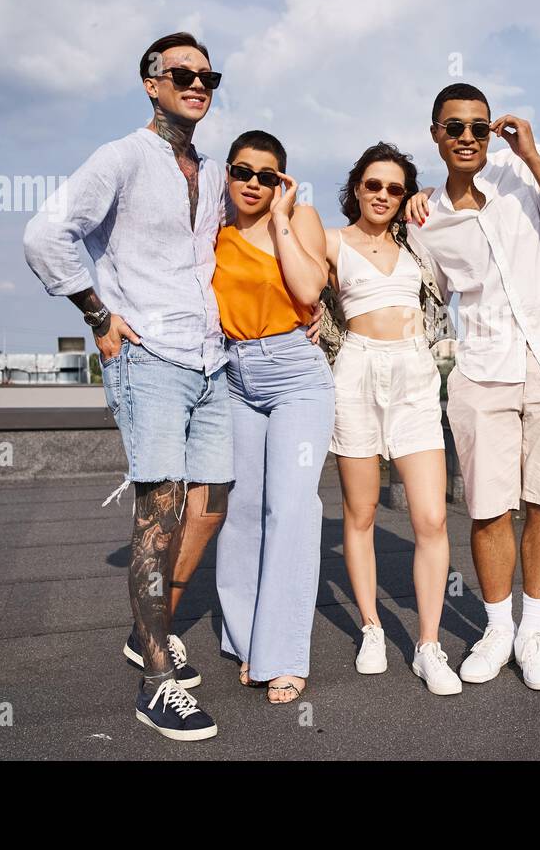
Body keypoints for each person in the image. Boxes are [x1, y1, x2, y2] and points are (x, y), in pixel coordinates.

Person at [23, 31, 229, 740]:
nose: (198, 84)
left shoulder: (207, 166)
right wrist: (98, 316)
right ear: (151, 82)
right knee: (159, 511)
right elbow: (44, 234)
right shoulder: (120, 158)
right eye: (183, 74)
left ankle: (151, 629)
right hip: (151, 361)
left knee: (210, 506)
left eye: (208, 76)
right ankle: (155, 681)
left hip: (210, 361)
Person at [402, 82, 540, 691]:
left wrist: (535, 156)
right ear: (436, 134)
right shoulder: (426, 219)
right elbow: (432, 297)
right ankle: (496, 628)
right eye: (455, 127)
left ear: (493, 131)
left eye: (479, 127)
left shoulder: (524, 173)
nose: (468, 137)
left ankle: (533, 631)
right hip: (483, 370)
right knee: (489, 508)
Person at [321, 142, 461, 695]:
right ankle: (372, 628)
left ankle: (429, 645)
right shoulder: (331, 241)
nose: (383, 194)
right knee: (360, 513)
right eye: (373, 184)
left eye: (395, 188)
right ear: (356, 187)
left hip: (414, 376)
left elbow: (453, 209)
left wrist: (426, 196)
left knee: (430, 518)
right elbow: (294, 278)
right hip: (354, 372)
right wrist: (311, 317)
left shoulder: (416, 244)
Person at [211, 130, 335, 705]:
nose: (253, 184)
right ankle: (246, 641)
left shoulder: (299, 216)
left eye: (267, 175)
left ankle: (282, 653)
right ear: (229, 174)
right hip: (235, 374)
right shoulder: (212, 229)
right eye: (243, 171)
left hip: (295, 373)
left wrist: (283, 217)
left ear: (281, 180)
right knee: (240, 513)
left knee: (290, 508)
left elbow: (309, 289)